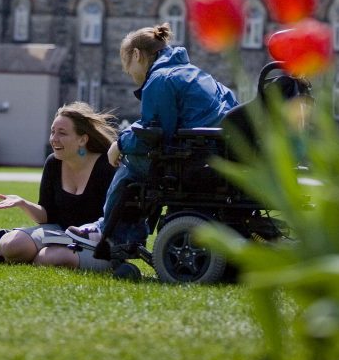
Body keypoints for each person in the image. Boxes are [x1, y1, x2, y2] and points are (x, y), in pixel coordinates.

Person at [67, 23, 239, 251]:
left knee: (130, 164)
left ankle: (110, 232)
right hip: (219, 153)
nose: (127, 71)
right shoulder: (194, 74)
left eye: (126, 63)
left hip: (196, 160)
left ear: (137, 55)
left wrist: (119, 144)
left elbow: (153, 135)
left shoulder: (160, 79)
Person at [0, 102, 117, 271]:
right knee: (10, 245)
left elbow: (117, 221)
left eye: (62, 133)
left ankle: (1, 257)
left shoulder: (107, 166)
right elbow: (46, 216)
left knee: (48, 258)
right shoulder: (53, 162)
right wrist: (23, 203)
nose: (54, 139)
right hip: (59, 233)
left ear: (83, 139)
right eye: (53, 132)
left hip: (96, 243)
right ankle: (6, 254)